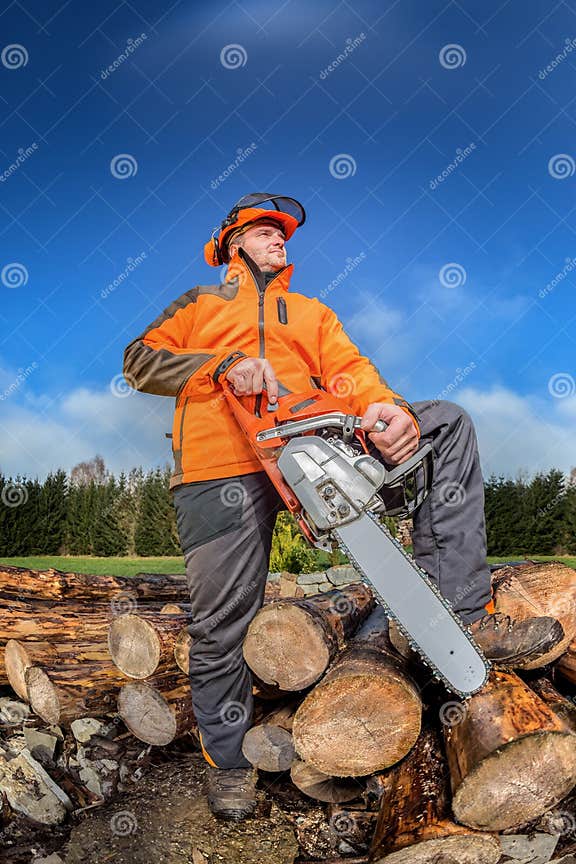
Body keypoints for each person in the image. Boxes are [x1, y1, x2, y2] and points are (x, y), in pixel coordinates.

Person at [123, 193, 563, 822]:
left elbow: (350, 372)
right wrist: (223, 364)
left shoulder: (311, 312)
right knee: (220, 624)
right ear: (231, 243)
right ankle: (229, 762)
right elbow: (139, 360)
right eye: (266, 230)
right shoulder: (197, 307)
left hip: (314, 446)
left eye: (284, 234)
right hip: (220, 466)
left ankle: (462, 616)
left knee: (444, 425)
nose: (281, 240)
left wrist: (384, 408)